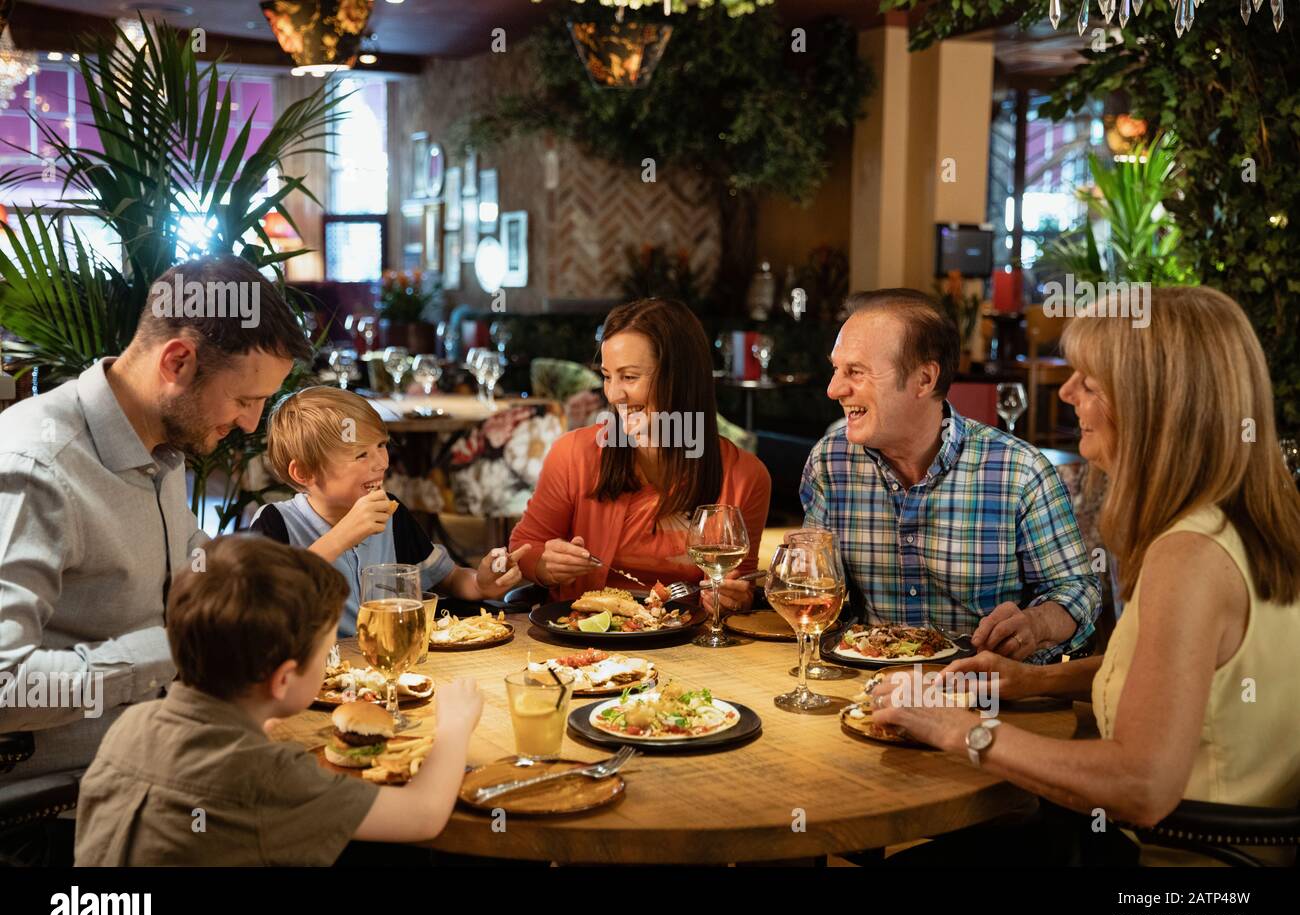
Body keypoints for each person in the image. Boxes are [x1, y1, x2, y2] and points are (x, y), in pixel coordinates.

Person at [871, 286, 1300, 865]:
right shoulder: (1246, 520)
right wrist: (1032, 682)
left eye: (1089, 383)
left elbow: (1141, 785)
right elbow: (1178, 668)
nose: (1067, 392)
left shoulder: (1190, 555)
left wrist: (956, 729)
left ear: (1152, 407)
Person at [0, 256, 312, 793]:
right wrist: (174, 650)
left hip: (169, 754)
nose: (250, 424)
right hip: (71, 805)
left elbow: (181, 566)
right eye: (244, 399)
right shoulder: (37, 467)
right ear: (178, 362)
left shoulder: (164, 444)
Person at [74, 534, 483, 865]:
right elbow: (424, 815)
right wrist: (454, 725)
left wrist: (264, 717)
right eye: (324, 655)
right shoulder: (266, 775)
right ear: (283, 679)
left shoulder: (130, 726)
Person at [800, 289, 1100, 662]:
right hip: (865, 694)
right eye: (836, 369)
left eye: (856, 372)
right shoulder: (829, 464)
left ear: (924, 379)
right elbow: (814, 587)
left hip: (983, 694)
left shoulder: (1019, 472)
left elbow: (1077, 590)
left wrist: (1036, 623)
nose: (834, 389)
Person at [510, 299, 770, 609]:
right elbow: (524, 548)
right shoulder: (573, 454)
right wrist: (544, 564)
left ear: (681, 378)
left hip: (688, 642)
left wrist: (734, 599)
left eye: (629, 377)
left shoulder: (745, 477)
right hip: (587, 638)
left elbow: (736, 587)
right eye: (608, 376)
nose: (614, 394)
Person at [250, 387, 526, 635]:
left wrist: (481, 583)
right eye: (361, 454)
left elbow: (450, 578)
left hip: (391, 662)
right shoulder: (275, 523)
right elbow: (260, 607)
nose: (382, 463)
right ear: (304, 473)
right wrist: (341, 537)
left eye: (381, 446)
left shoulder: (391, 514)